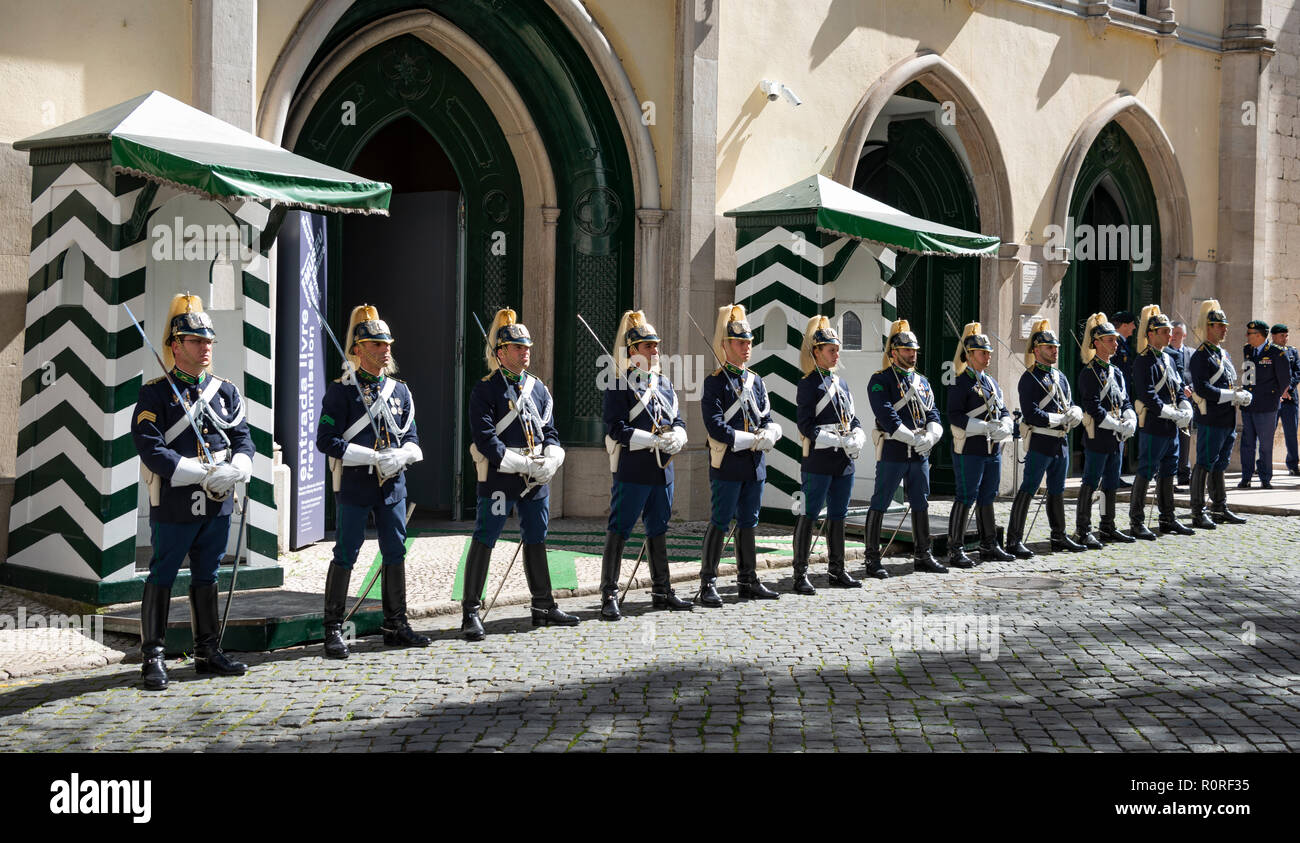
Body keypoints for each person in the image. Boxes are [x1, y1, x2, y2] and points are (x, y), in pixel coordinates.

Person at [132, 294, 253, 690]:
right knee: (163, 572)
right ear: (175, 345)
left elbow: (243, 439)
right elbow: (152, 449)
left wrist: (237, 468)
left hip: (218, 500)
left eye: (208, 342)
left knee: (208, 573)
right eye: (196, 341)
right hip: (177, 499)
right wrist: (199, 474)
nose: (206, 349)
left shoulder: (225, 391)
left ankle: (207, 650)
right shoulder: (155, 393)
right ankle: (153, 656)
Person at [316, 305, 429, 659]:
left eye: (387, 343)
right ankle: (333, 629)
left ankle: (396, 624)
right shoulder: (342, 392)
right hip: (355, 482)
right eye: (377, 344)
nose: (386, 350)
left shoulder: (400, 392)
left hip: (393, 484)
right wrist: (370, 456)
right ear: (358, 349)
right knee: (346, 552)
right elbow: (326, 440)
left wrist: (402, 456)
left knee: (395, 551)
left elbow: (412, 439)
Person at [462, 308, 578, 640]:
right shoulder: (485, 390)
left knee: (537, 537)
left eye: (527, 347)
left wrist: (553, 456)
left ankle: (543, 604)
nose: (525, 352)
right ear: (500, 352)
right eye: (517, 347)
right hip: (502, 477)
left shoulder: (539, 389)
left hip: (536, 478)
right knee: (487, 536)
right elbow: (485, 439)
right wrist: (520, 464)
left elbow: (550, 431)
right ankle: (471, 611)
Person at [597, 310, 692, 619]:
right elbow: (615, 427)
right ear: (632, 350)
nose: (655, 351)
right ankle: (609, 593)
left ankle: (662, 590)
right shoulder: (618, 383)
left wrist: (678, 434)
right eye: (648, 346)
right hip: (634, 468)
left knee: (659, 528)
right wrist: (650, 440)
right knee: (620, 528)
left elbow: (676, 418)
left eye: (656, 345)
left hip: (663, 469)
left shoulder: (663, 384)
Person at [698, 304, 784, 605]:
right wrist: (752, 439)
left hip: (755, 465)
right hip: (729, 462)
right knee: (721, 521)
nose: (747, 347)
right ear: (725, 345)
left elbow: (766, 417)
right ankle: (707, 582)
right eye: (740, 342)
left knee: (749, 522)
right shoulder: (715, 382)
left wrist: (772, 432)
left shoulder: (756, 381)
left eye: (748, 342)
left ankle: (748, 579)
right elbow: (715, 426)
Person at [791, 315, 867, 594]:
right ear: (816, 352)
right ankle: (800, 573)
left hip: (843, 461)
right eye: (831, 350)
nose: (836, 355)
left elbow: (853, 418)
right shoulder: (808, 384)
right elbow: (805, 425)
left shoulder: (842, 384)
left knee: (839, 515)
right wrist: (834, 440)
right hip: (820, 459)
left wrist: (857, 436)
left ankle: (837, 568)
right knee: (809, 514)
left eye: (837, 350)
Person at [864, 320, 945, 574]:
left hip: (919, 453)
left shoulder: (922, 382)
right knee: (881, 501)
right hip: (895, 451)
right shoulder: (881, 380)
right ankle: (872, 558)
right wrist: (914, 439)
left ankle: (923, 554)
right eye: (907, 350)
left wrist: (931, 437)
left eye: (914, 350)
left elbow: (933, 414)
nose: (912, 355)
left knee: (921, 502)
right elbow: (887, 417)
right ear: (894, 352)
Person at [1004, 318, 1085, 557]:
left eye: (1056, 347)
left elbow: (1068, 404)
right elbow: (1031, 414)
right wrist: (1059, 419)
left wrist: (1074, 413)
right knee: (1029, 487)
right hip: (1041, 440)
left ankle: (1058, 536)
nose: (1054, 350)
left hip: (1061, 441)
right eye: (1049, 347)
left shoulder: (1060, 377)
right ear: (1037, 349)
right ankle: (1014, 539)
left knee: (1057, 489)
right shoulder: (1029, 378)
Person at [945, 323, 1016, 568]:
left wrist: (1006, 425)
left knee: (988, 496)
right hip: (971, 449)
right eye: (982, 353)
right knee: (966, 496)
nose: (987, 357)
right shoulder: (959, 382)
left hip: (992, 450)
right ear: (969, 354)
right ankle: (955, 548)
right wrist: (984, 428)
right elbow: (954, 416)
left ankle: (989, 545)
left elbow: (1003, 410)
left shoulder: (993, 383)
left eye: (988, 353)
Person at [1130, 305, 1195, 539]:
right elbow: (1148, 395)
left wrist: (1184, 405)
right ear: (1151, 334)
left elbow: (1177, 387)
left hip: (1172, 427)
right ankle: (1136, 520)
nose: (1170, 335)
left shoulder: (1168, 358)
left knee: (1169, 471)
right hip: (1156, 424)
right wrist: (1171, 412)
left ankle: (1168, 517)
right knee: (1147, 470)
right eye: (1164, 331)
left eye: (1170, 331)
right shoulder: (1143, 361)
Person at [1074, 314, 1138, 547]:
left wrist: (1130, 417)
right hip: (1098, 436)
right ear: (1097, 342)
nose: (1115, 343)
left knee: (1111, 483)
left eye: (1115, 339)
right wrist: (1116, 424)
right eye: (1110, 340)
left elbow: (1125, 401)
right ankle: (1083, 529)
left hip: (1116, 437)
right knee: (1091, 482)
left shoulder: (1116, 372)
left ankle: (1107, 525)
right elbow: (1092, 406)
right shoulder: (1089, 373)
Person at [1188, 300, 1251, 527]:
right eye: (1219, 326)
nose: (1224, 329)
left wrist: (1239, 395)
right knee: (1204, 462)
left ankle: (1219, 506)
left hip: (1227, 418)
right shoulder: (1200, 356)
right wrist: (1231, 396)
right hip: (1211, 417)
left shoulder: (1222, 354)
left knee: (1220, 464)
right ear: (1208, 327)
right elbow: (1203, 388)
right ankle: (1197, 510)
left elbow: (1227, 382)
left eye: (1224, 325)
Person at [1238, 319, 1290, 489]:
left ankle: (1265, 478)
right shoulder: (1248, 350)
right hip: (1248, 404)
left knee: (1265, 444)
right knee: (1247, 444)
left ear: (1259, 335)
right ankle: (1246, 477)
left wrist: (1273, 397)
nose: (1247, 336)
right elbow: (1248, 375)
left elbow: (1284, 380)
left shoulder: (1277, 353)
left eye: (1250, 334)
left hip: (1267, 406)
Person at [1166, 321, 1194, 485]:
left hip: (1186, 403)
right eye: (1172, 333)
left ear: (1184, 335)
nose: (1174, 336)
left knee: (1185, 439)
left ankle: (1184, 473)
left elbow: (1198, 376)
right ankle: (1165, 474)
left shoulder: (1192, 353)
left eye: (1177, 333)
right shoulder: (1165, 353)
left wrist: (1190, 388)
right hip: (1169, 404)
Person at [1270, 324, 1300, 477]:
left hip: (1290, 398)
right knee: (1267, 433)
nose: (1285, 338)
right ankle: (1263, 464)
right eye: (1282, 335)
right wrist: (1280, 391)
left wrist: (1288, 388)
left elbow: (1297, 372)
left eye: (1286, 335)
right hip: (1274, 398)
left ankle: (1293, 465)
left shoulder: (1293, 352)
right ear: (1273, 336)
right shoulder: (1268, 352)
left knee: (1291, 433)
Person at [1112, 310, 1138, 487]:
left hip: (1124, 394)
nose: (1135, 327)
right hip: (1116, 395)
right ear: (1124, 325)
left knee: (1122, 434)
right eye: (1132, 323)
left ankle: (1116, 472)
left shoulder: (1125, 344)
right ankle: (1114, 474)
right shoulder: (1115, 344)